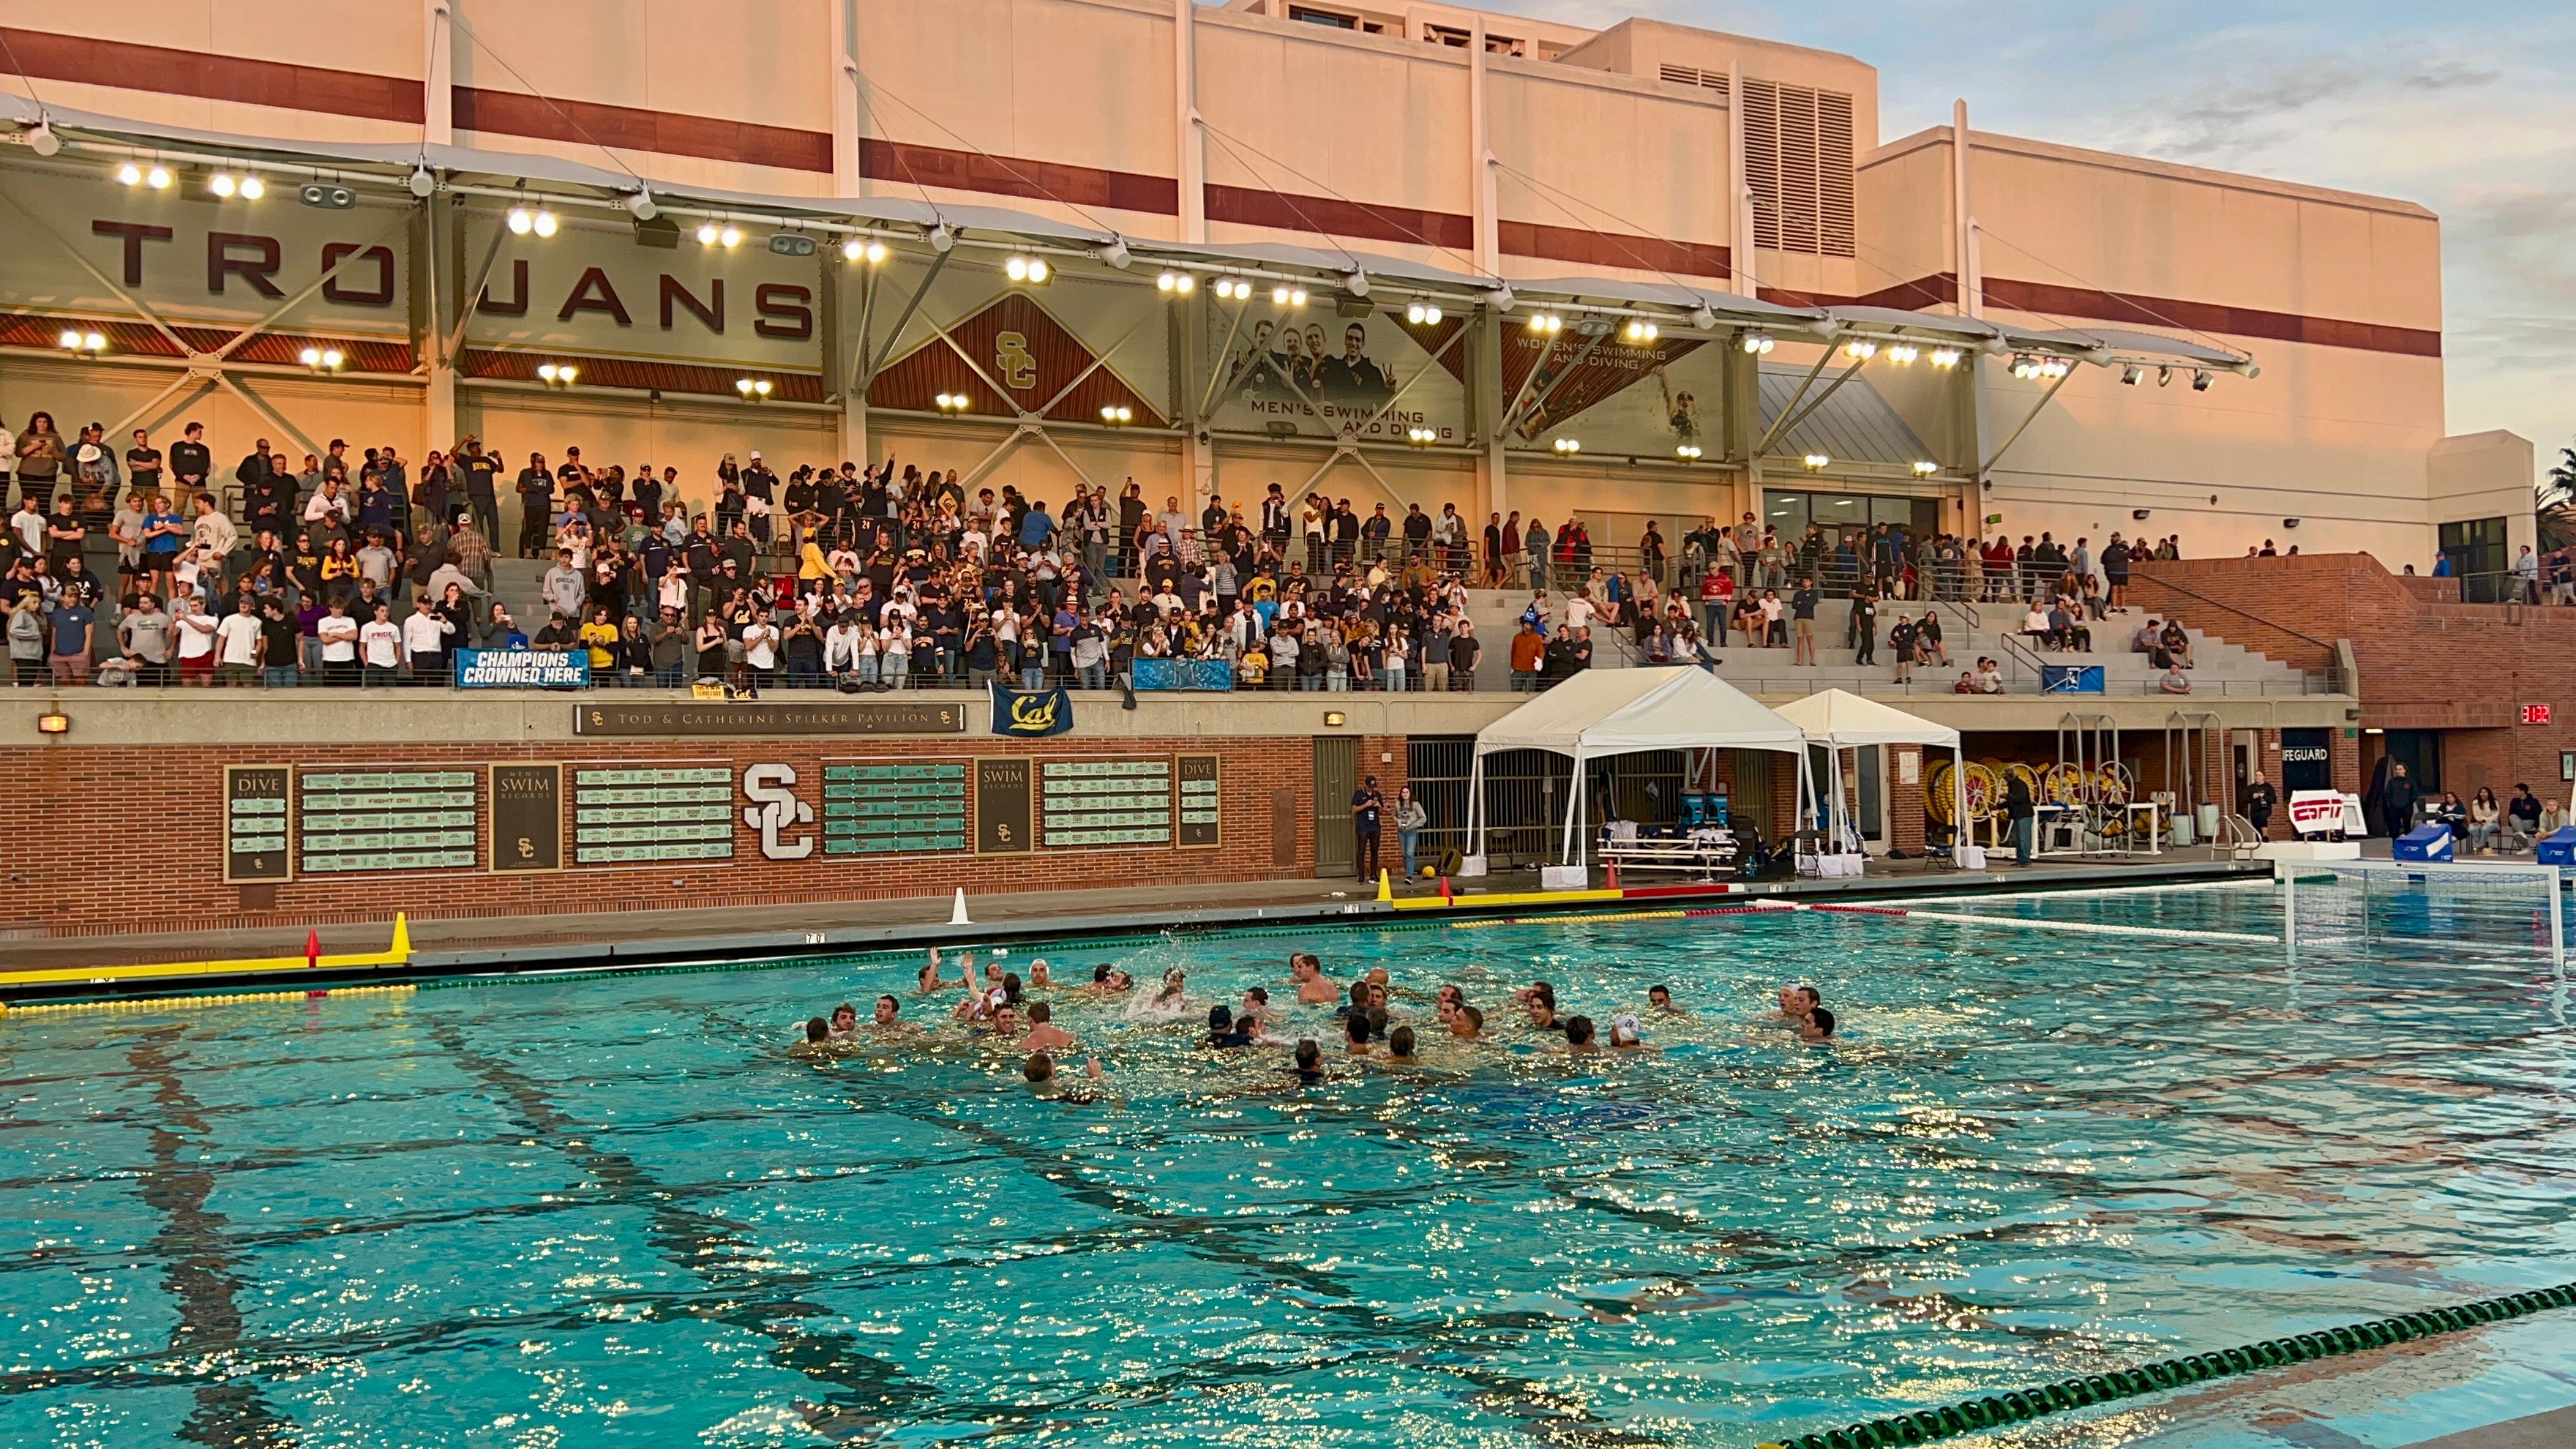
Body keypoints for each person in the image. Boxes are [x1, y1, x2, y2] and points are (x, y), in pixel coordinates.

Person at [1351, 774, 1385, 881]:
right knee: (1361, 851)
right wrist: (1366, 805)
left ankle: (1373, 875)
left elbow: (1381, 812)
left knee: (1374, 850)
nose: (1371, 789)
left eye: (1373, 787)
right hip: (1363, 826)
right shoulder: (1358, 794)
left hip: (1375, 826)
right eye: (1370, 787)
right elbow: (1354, 809)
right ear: (1365, 785)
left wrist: (1379, 805)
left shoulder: (1377, 795)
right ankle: (1361, 876)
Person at [1393, 786, 1428, 881]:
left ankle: (1409, 876)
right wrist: (1397, 822)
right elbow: (1394, 815)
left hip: (1411, 831)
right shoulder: (1398, 804)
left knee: (1410, 853)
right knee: (1404, 854)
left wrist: (1414, 825)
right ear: (1401, 794)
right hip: (1401, 831)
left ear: (1410, 793)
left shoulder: (1415, 804)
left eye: (1407, 792)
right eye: (1403, 792)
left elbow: (1423, 818)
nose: (1405, 794)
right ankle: (1407, 872)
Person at [2004, 768, 2037, 866]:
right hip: (2019, 815)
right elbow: (2012, 801)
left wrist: (2008, 796)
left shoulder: (2019, 785)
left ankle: (2025, 860)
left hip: (2023, 815)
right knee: (2018, 839)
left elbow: (2021, 799)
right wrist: (1999, 806)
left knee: (2023, 839)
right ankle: (2021, 860)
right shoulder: (2014, 785)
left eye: (2006, 777)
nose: (2005, 779)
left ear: (2010, 776)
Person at [2506, 783, 2544, 850]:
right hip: (2517, 821)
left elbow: (2538, 813)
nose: (2514, 792)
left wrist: (2537, 826)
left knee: (2515, 829)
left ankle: (2525, 847)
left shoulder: (2533, 801)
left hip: (2530, 822)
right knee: (2512, 816)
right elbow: (2511, 813)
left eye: (2516, 790)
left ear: (2523, 791)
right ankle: (2521, 834)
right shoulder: (2514, 801)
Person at [2241, 771, 2277, 835]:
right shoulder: (2251, 788)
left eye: (2260, 776)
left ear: (2263, 777)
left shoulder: (2268, 787)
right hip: (2255, 809)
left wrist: (2264, 796)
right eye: (2256, 775)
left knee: (2262, 816)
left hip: (2265, 808)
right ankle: (2260, 837)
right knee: (2255, 823)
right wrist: (2253, 797)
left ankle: (2265, 836)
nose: (2258, 777)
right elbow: (2244, 799)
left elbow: (2274, 800)